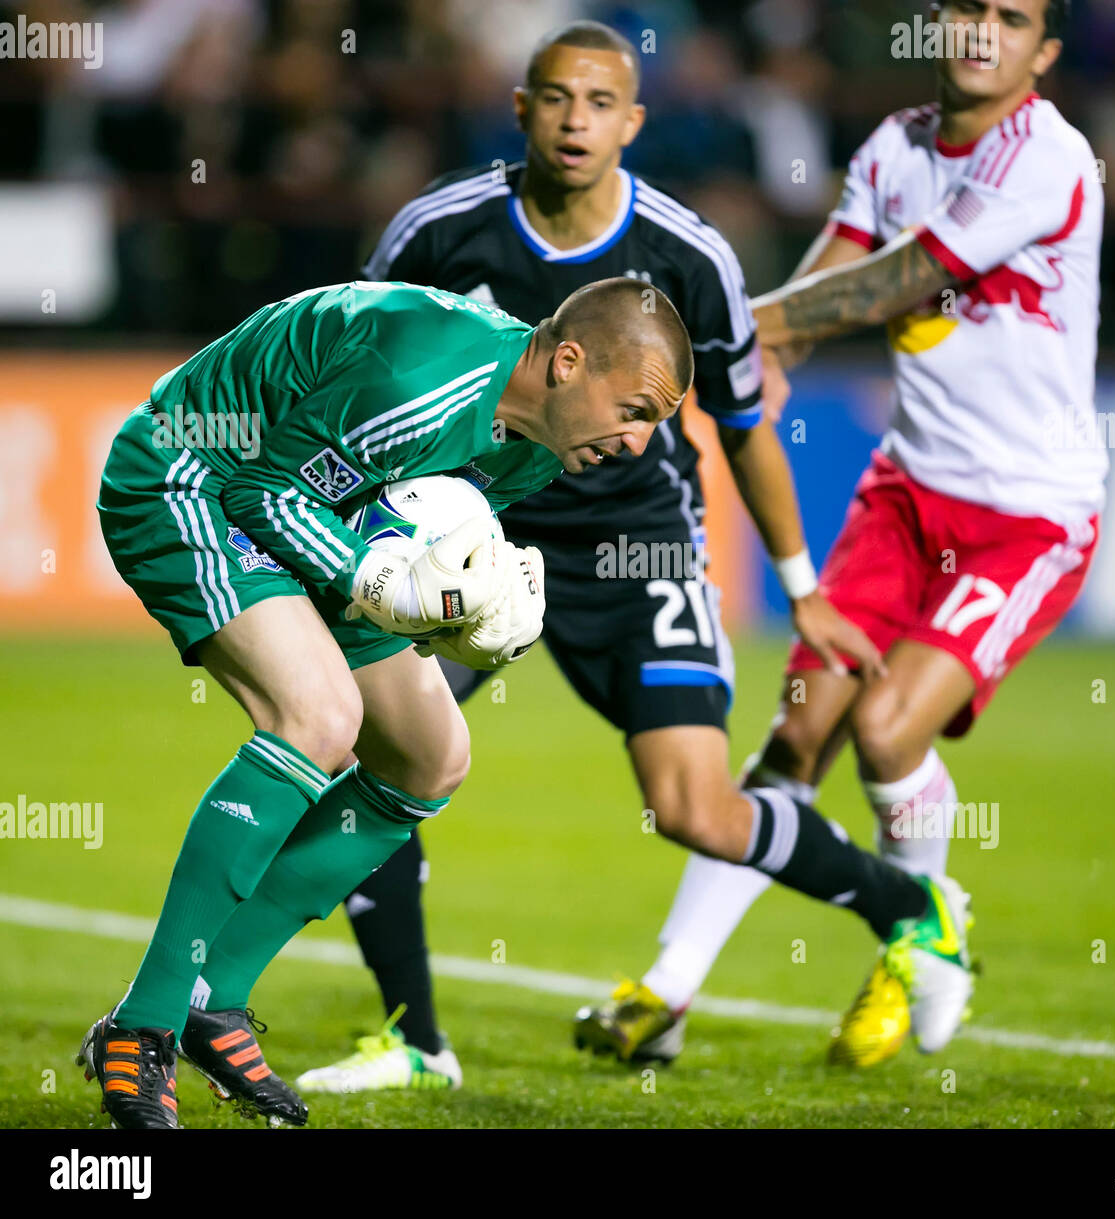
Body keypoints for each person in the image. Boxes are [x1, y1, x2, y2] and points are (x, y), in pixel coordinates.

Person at [295, 19, 970, 1093]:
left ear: (634, 121)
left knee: (692, 805)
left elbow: (746, 424)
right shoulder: (441, 226)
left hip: (632, 544)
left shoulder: (688, 253)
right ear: (519, 108)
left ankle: (911, 907)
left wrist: (800, 589)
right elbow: (356, 359)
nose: (575, 121)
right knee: (379, 751)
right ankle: (414, 1040)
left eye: (600, 103)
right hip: (472, 530)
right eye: (556, 98)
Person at [581, 0, 1104, 1068]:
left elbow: (893, 284)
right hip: (904, 497)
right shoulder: (895, 145)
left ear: (1041, 54)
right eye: (966, 8)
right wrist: (751, 375)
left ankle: (921, 929)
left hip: (1026, 515)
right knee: (796, 737)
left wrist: (707, 332)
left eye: (1009, 19)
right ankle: (669, 990)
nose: (979, 31)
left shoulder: (1047, 157)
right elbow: (827, 281)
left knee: (885, 733)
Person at [80, 274, 694, 1129]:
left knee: (431, 755)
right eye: (634, 409)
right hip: (192, 478)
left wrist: (462, 609)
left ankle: (210, 996)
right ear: (566, 361)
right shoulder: (424, 377)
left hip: (305, 510)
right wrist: (377, 578)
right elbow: (265, 489)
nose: (636, 442)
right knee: (319, 719)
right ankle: (141, 1025)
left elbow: (392, 513)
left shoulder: (540, 445)